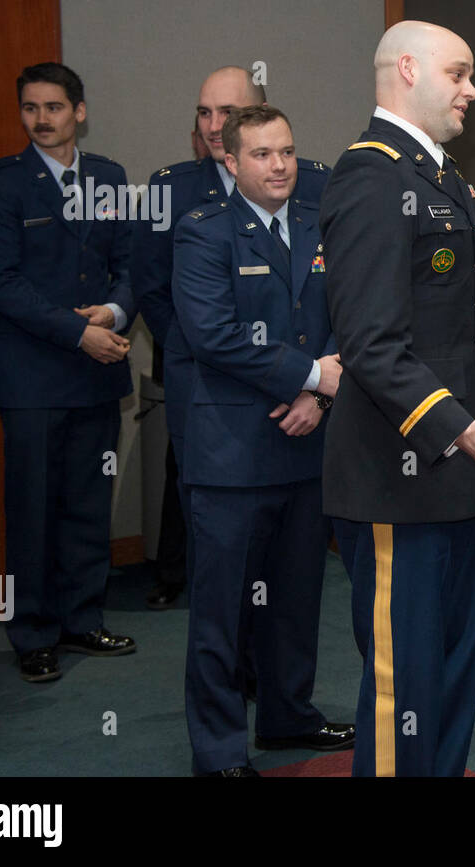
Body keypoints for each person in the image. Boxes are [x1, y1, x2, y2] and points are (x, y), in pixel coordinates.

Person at [320, 20, 475, 777]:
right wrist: (454, 428)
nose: (473, 89)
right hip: (395, 480)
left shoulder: (440, 178)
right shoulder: (371, 177)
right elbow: (372, 343)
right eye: (460, 72)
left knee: (450, 675)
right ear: (407, 69)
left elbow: (472, 328)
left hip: (454, 476)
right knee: (400, 687)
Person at [172, 105, 353, 777]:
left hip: (306, 447)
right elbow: (210, 335)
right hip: (232, 456)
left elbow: (347, 315)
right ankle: (219, 751)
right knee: (222, 616)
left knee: (295, 599)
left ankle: (287, 715)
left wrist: (321, 390)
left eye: (287, 152)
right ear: (231, 161)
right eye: (261, 154)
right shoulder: (204, 233)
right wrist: (309, 376)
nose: (279, 166)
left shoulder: (316, 222)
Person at [133, 66, 330, 609]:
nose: (215, 124)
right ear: (232, 158)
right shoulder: (180, 194)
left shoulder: (315, 187)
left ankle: (282, 693)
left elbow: (336, 309)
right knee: (221, 563)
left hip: (304, 409)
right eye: (205, 113)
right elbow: (156, 289)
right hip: (214, 400)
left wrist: (313, 388)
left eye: (229, 112)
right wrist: (209, 357)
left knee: (293, 575)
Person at [0, 62, 138, 683]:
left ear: (80, 112)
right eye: (30, 109)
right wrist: (79, 333)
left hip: (97, 376)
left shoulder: (110, 177)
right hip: (33, 379)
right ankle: (34, 632)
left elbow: (130, 264)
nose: (41, 120)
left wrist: (117, 310)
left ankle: (82, 619)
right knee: (34, 509)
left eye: (54, 108)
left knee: (89, 504)